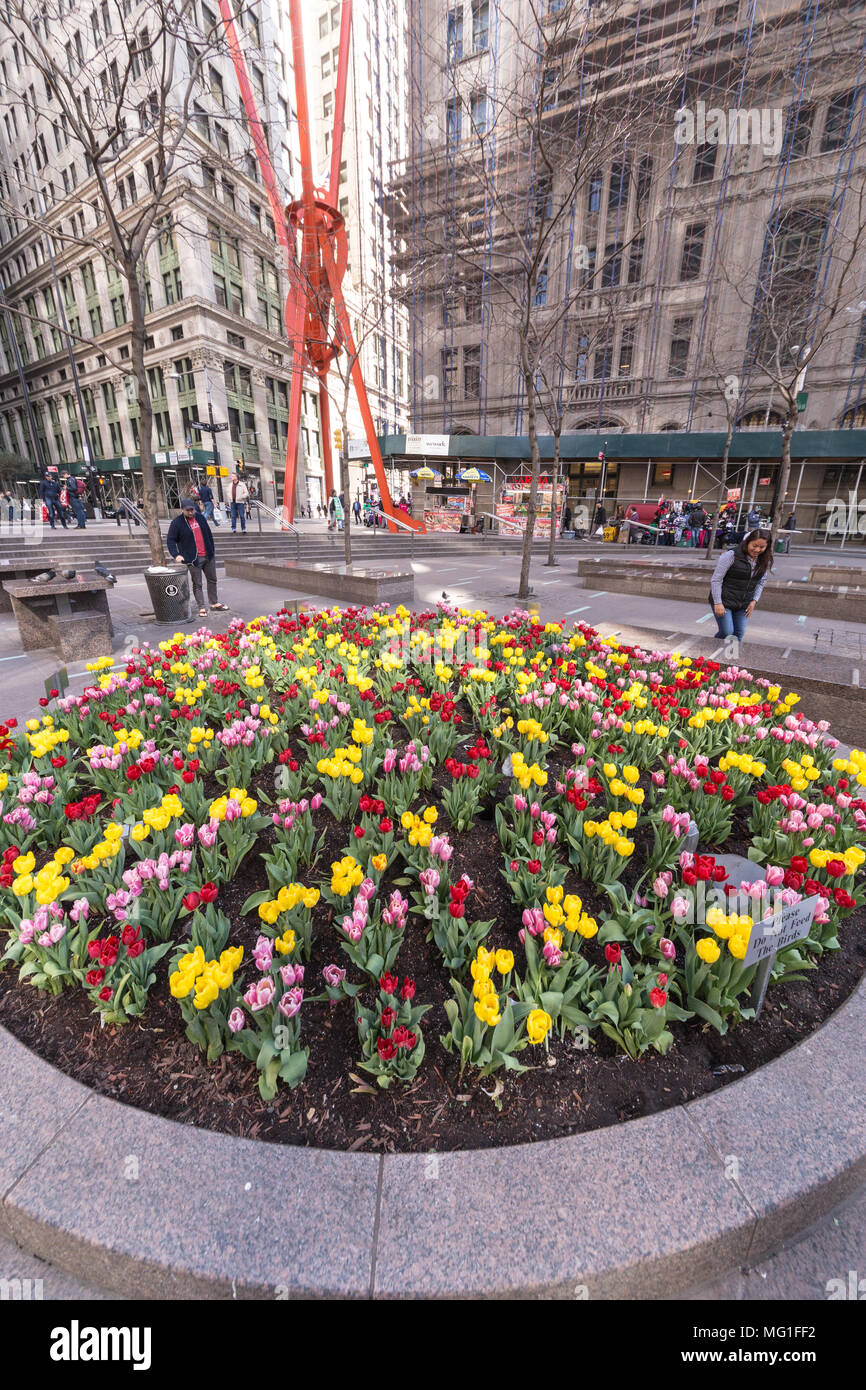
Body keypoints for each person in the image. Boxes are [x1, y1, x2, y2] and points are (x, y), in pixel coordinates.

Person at [167, 498, 228, 618]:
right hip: (193, 558)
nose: (191, 512)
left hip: (208, 554)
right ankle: (201, 607)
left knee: (212, 579)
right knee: (197, 583)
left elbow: (208, 534)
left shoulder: (200, 517)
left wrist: (211, 549)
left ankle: (214, 602)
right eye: (188, 510)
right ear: (182, 510)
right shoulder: (177, 522)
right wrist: (176, 555)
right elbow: (170, 540)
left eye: (192, 510)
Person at [709, 528, 773, 642]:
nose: (757, 549)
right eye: (755, 545)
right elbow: (716, 580)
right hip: (725, 600)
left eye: (762, 547)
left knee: (738, 633)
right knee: (727, 632)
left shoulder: (764, 560)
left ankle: (731, 658)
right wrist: (718, 602)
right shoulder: (731, 555)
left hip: (744, 604)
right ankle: (714, 646)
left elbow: (761, 582)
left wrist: (754, 601)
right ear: (747, 541)